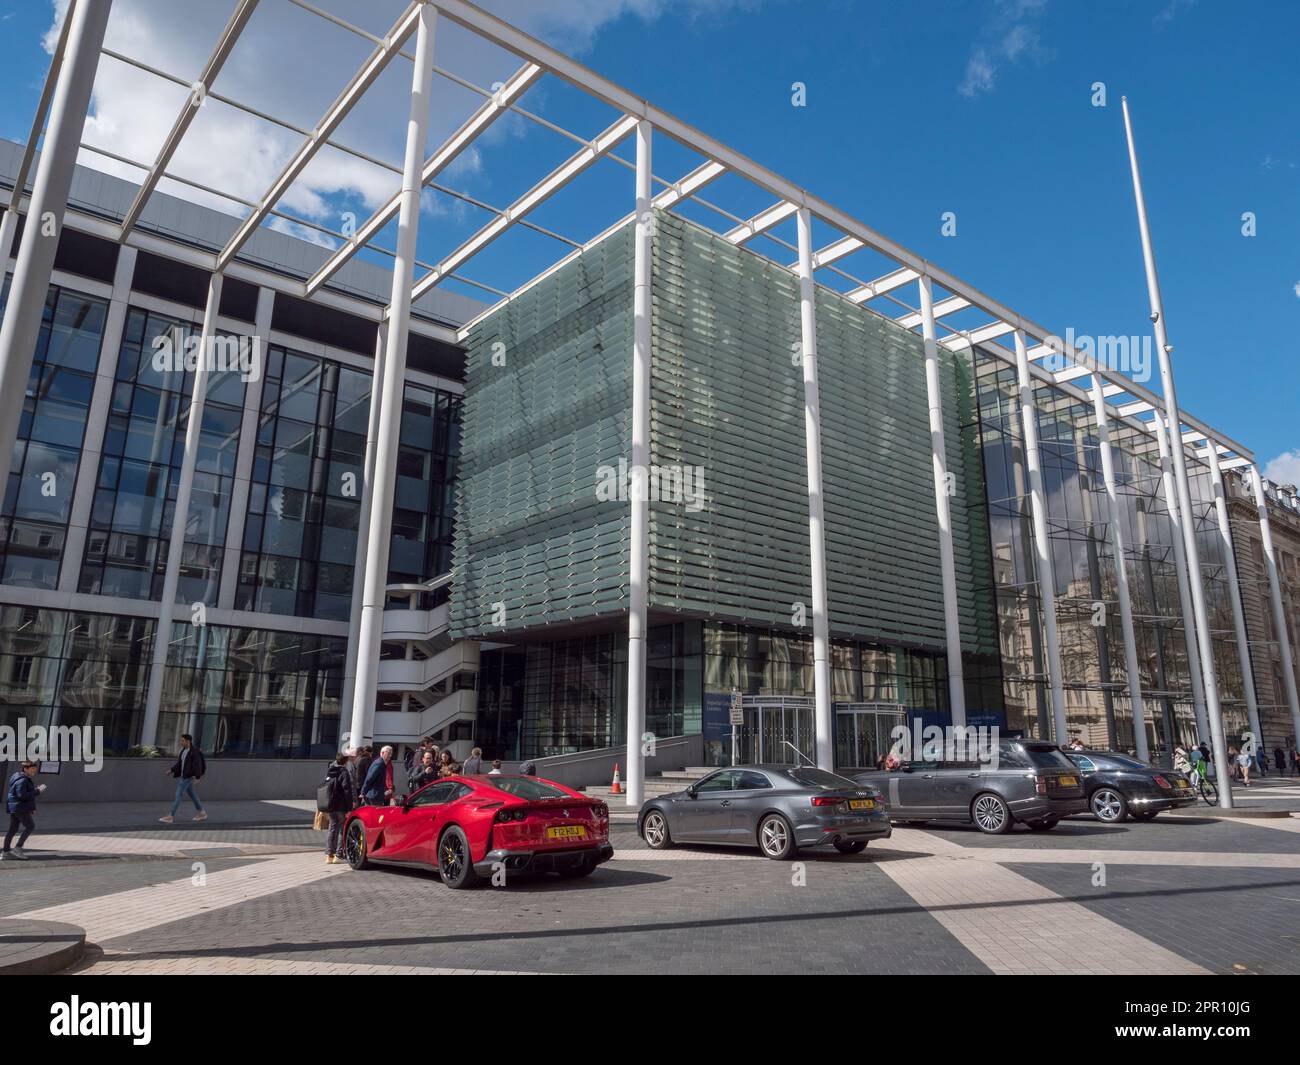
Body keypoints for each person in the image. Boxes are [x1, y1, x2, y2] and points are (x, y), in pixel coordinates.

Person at [3, 761, 45, 860]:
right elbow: (22, 795)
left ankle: (6, 852)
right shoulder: (23, 780)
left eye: (35, 768)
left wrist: (34, 792)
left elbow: (23, 793)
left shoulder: (18, 778)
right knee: (30, 826)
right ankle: (18, 848)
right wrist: (37, 791)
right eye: (32, 768)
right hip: (20, 807)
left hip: (15, 807)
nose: (34, 770)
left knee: (13, 829)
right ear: (25, 769)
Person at [160, 734, 207, 824]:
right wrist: (171, 770)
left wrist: (198, 777)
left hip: (188, 776)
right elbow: (180, 763)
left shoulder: (194, 751)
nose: (181, 742)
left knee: (178, 794)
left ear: (188, 741)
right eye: (181, 740)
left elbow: (198, 765)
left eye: (182, 741)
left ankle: (170, 816)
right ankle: (202, 812)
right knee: (192, 794)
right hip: (184, 775)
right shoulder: (183, 751)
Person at [323, 751, 355, 864]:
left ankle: (329, 856)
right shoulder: (344, 772)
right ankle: (338, 855)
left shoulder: (330, 771)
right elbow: (347, 790)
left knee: (332, 829)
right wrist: (350, 807)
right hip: (341, 806)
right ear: (345, 761)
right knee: (342, 830)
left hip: (331, 805)